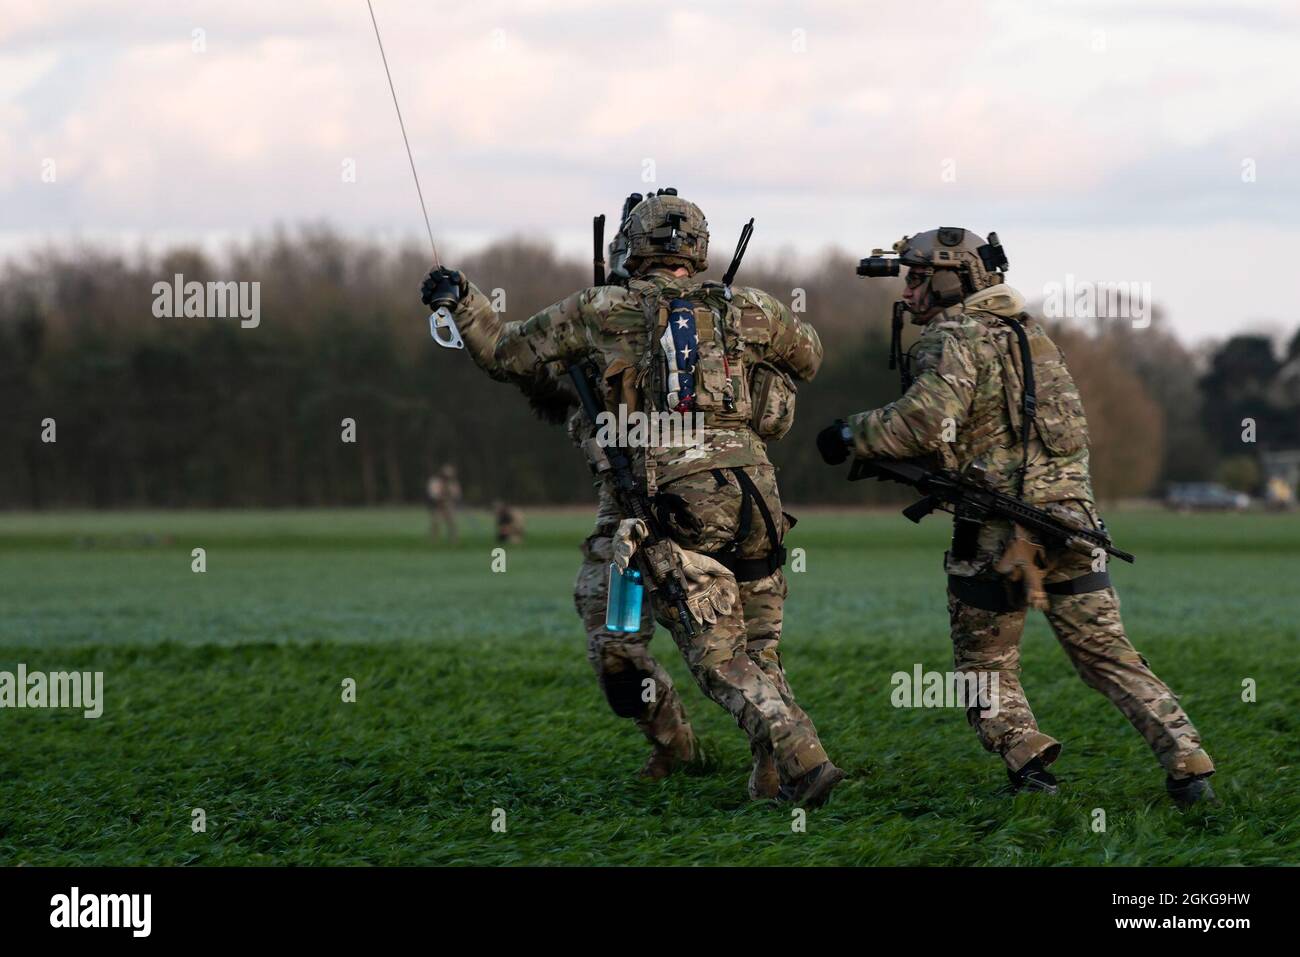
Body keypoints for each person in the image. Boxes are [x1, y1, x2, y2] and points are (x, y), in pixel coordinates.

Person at [423, 189, 842, 805]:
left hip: (667, 504)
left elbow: (505, 352)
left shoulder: (601, 309)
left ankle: (799, 755)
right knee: (756, 646)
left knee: (714, 654)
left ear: (632, 246)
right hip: (757, 497)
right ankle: (749, 768)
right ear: (696, 250)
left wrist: (460, 298)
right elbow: (809, 356)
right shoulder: (752, 306)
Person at [817, 227, 1215, 806]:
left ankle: (1030, 768)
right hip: (1073, 525)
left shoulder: (952, 337)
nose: (907, 292)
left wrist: (852, 434)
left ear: (955, 280)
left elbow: (926, 423)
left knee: (984, 664)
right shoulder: (1033, 337)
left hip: (998, 534)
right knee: (1108, 655)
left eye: (919, 278)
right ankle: (1189, 763)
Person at [426, 464, 462, 543]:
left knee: (452, 523)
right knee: (436, 522)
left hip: (449, 505)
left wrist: (450, 497)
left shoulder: (453, 483)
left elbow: (456, 495)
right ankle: (434, 540)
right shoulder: (435, 482)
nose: (447, 478)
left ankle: (454, 540)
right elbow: (433, 494)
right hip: (437, 506)